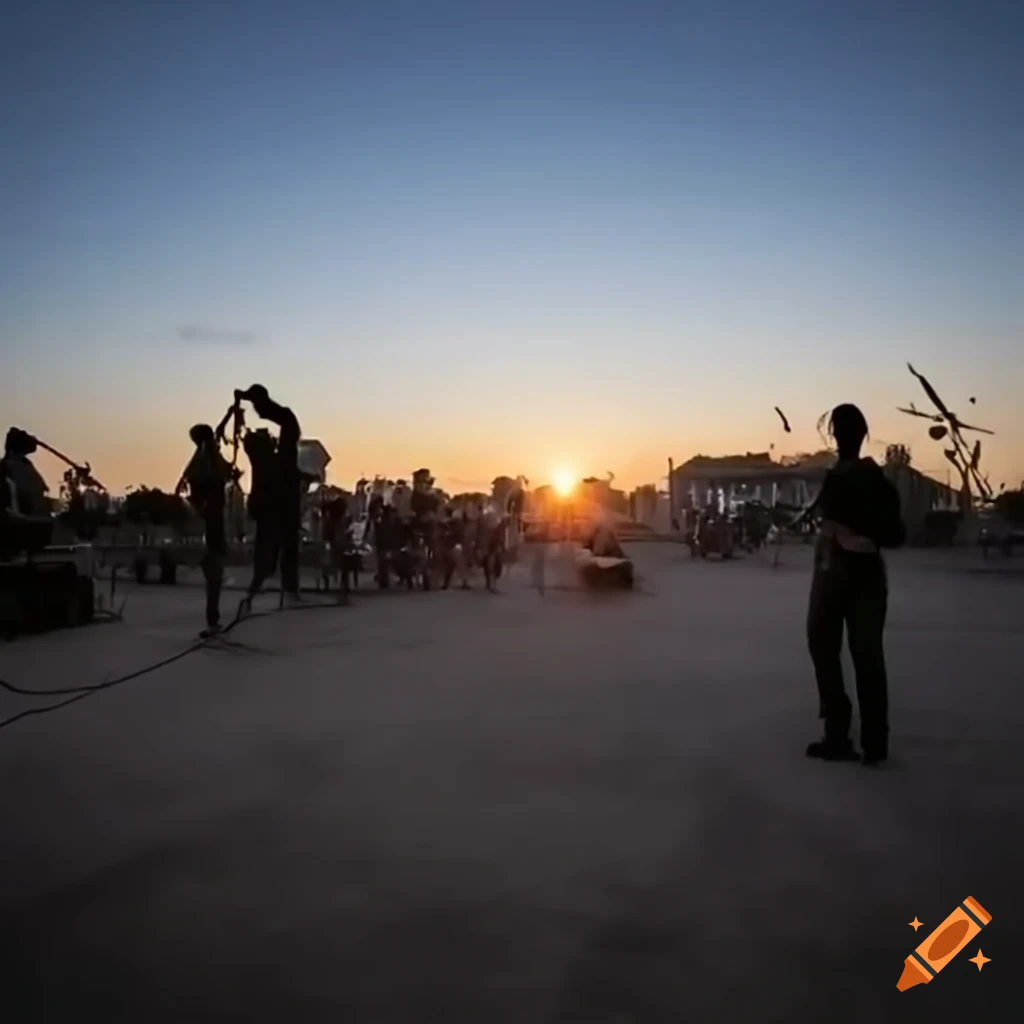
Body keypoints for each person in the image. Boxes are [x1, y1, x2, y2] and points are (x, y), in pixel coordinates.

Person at [805, 403, 905, 766]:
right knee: (823, 645)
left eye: (844, 429)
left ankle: (872, 742)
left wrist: (856, 536)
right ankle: (839, 733)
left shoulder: (873, 481)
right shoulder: (836, 477)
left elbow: (894, 533)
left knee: (864, 656)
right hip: (830, 573)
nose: (840, 436)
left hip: (859, 576)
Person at [235, 385, 302, 604]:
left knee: (268, 552)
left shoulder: (263, 460)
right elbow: (288, 420)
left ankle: (253, 593)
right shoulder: (278, 459)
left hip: (269, 510)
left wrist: (250, 402)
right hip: (281, 508)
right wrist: (257, 402)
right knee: (283, 548)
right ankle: (287, 590)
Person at [177, 424, 231, 636]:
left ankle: (213, 619)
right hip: (211, 525)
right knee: (214, 574)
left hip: (207, 524)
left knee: (214, 575)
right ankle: (212, 620)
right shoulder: (208, 462)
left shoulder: (201, 461)